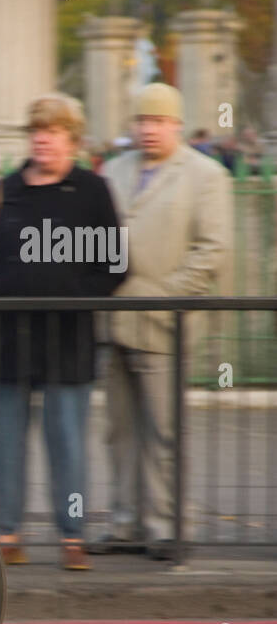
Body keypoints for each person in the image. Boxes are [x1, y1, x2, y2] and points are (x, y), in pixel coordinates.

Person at [0, 94, 127, 570]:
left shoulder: (92, 191)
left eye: (52, 132)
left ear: (72, 139)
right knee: (8, 440)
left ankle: (72, 536)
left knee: (67, 440)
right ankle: (7, 532)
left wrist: (76, 295)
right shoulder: (3, 190)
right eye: (36, 131)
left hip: (67, 337)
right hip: (6, 338)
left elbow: (115, 263)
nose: (42, 139)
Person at [93, 82, 233, 560]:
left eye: (158, 121)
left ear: (175, 124)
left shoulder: (206, 175)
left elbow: (212, 251)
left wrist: (165, 294)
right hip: (114, 322)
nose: (148, 129)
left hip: (163, 325)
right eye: (142, 121)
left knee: (164, 433)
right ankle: (126, 522)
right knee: (120, 431)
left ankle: (168, 525)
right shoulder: (113, 170)